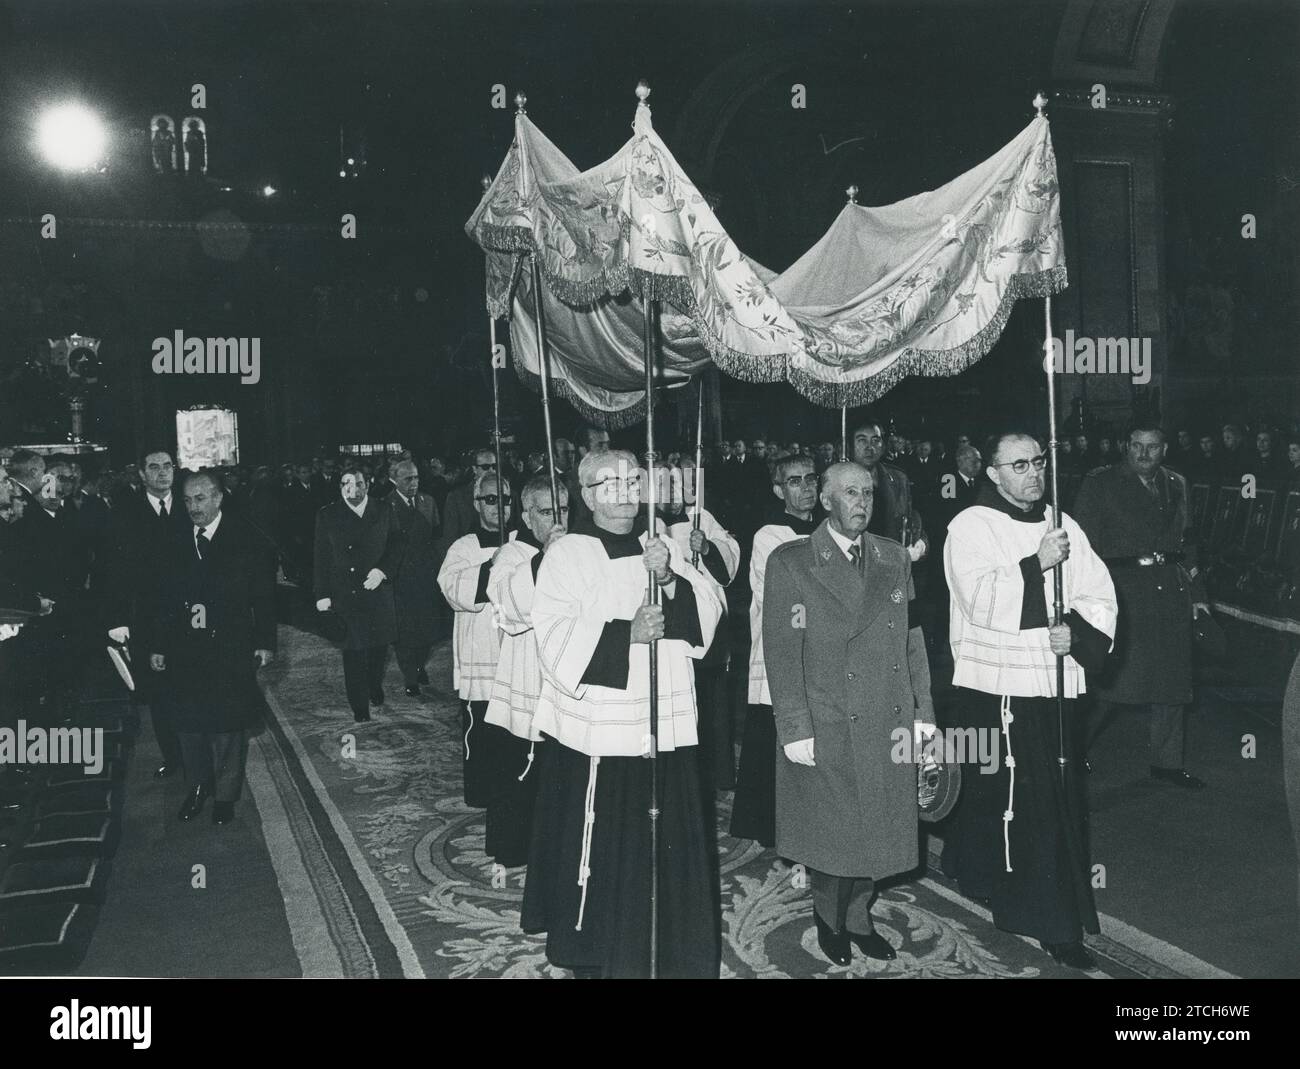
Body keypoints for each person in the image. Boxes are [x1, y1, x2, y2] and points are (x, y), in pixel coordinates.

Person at [521, 448, 723, 978]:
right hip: (602, 730)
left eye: (633, 478)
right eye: (608, 482)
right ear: (586, 495)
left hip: (665, 720)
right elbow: (552, 634)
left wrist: (673, 579)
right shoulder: (568, 553)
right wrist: (624, 632)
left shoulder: (662, 542)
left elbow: (712, 610)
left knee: (666, 836)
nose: (625, 489)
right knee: (608, 838)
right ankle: (600, 945)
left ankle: (671, 940)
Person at [941, 431, 1117, 969]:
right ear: (992, 473)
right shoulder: (970, 526)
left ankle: (1032, 896)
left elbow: (1098, 592)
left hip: (1052, 680)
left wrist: (1078, 633)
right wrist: (1036, 563)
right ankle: (1045, 916)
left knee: (1055, 795)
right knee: (1019, 800)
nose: (1033, 473)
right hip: (999, 683)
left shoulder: (1062, 523)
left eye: (1038, 461)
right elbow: (979, 600)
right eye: (1018, 464)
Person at [762, 461, 934, 966]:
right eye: (850, 493)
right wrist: (794, 726)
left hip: (888, 714)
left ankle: (860, 915)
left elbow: (912, 637)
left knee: (880, 830)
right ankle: (829, 916)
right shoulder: (791, 562)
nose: (862, 502)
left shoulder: (893, 556)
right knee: (834, 834)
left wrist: (924, 709)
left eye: (868, 492)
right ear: (825, 500)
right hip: (828, 715)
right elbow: (780, 649)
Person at [1073, 425, 1210, 787]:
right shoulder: (1101, 483)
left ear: (1164, 449)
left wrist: (1199, 597)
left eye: (1152, 447)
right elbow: (1084, 544)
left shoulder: (1177, 483)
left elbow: (1189, 543)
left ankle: (1166, 762)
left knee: (1173, 681)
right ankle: (1073, 750)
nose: (1143, 454)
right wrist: (1088, 598)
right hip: (1124, 591)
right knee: (1114, 682)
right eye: (1136, 446)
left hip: (1171, 591)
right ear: (1126, 446)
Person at [146, 471, 276, 826]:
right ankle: (198, 788)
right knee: (189, 724)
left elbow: (264, 596)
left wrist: (265, 642)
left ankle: (225, 796)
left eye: (200, 499)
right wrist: (158, 645)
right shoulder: (174, 540)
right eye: (187, 500)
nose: (193, 508)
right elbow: (164, 600)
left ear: (219, 498)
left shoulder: (247, 538)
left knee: (227, 725)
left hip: (230, 647)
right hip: (184, 650)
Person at [730, 454, 819, 847]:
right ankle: (766, 824)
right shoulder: (770, 534)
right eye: (795, 481)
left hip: (823, 651)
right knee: (776, 734)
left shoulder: (831, 527)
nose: (806, 488)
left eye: (811, 479)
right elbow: (781, 592)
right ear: (778, 490)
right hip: (783, 646)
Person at [484, 475, 568, 866]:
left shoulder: (577, 549)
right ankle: (517, 848)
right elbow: (505, 606)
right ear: (527, 514)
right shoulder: (511, 555)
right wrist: (543, 560)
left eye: (564, 510)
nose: (558, 520)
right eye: (548, 511)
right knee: (523, 765)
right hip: (527, 675)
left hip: (565, 674)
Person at [102, 450, 194, 777]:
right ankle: (173, 756)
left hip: (190, 614)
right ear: (141, 474)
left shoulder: (189, 504)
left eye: (167, 466)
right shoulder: (125, 513)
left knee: (193, 685)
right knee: (160, 691)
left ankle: (198, 755)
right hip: (147, 617)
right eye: (153, 467)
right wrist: (117, 619)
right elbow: (112, 569)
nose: (162, 473)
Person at [437, 470, 515, 808]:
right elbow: (452, 590)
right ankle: (482, 793)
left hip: (516, 651)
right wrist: (492, 565)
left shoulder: (520, 541)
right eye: (491, 499)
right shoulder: (464, 547)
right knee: (481, 728)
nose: (499, 506)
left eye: (505, 500)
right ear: (476, 503)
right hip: (480, 649)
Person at [667, 465, 740, 792]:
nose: (671, 494)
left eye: (676, 486)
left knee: (709, 701)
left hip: (703, 626)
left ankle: (713, 774)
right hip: (667, 629)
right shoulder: (642, 524)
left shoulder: (701, 517)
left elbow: (730, 560)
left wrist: (708, 547)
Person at [313, 468, 397, 723]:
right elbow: (321, 556)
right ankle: (359, 705)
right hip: (346, 594)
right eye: (346, 484)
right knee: (353, 651)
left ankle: (373, 684)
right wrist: (322, 595)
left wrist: (382, 570)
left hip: (377, 590)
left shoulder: (384, 510)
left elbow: (397, 544)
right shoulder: (327, 515)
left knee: (378, 649)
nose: (353, 490)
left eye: (358, 483)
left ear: (367, 485)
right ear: (340, 487)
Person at [385, 459, 440, 698]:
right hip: (401, 578)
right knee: (406, 631)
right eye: (408, 479)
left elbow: (436, 537)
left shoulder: (428, 502)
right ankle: (410, 675)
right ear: (394, 480)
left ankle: (419, 666)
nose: (414, 483)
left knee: (427, 628)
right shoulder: (386, 505)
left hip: (426, 575)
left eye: (416, 477)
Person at [849, 419, 927, 561]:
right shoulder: (838, 481)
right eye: (862, 440)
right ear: (850, 446)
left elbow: (911, 520)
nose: (869, 447)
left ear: (883, 445)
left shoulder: (898, 479)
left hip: (893, 564)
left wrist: (921, 543)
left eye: (875, 440)